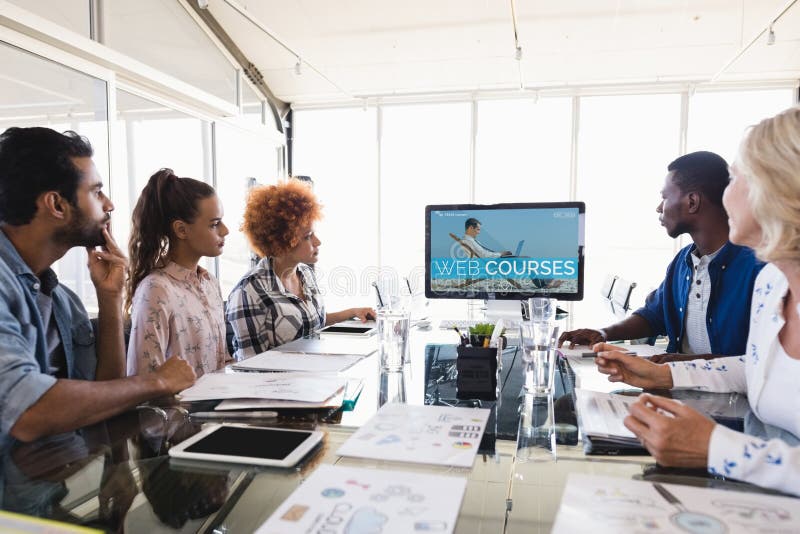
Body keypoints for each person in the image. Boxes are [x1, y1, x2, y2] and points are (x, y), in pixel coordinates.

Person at [593, 107, 800, 496]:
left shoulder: (758, 273)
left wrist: (717, 447)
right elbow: (754, 367)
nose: (725, 193)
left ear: (779, 190)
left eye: (736, 178)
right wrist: (663, 374)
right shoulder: (774, 283)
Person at [0, 127, 196, 447]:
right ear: (57, 204)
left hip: (51, 488)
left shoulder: (61, 300)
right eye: (96, 191)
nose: (110, 204)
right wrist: (156, 381)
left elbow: (105, 395)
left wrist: (110, 298)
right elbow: (28, 412)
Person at [559, 151, 764, 360]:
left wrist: (683, 364)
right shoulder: (683, 261)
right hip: (676, 383)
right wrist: (603, 333)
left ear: (692, 202)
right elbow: (654, 315)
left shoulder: (758, 268)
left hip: (725, 391)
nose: (659, 207)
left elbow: (760, 361)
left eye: (665, 197)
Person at [227, 180, 375, 358]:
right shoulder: (249, 292)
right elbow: (249, 367)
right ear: (281, 241)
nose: (318, 242)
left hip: (313, 378)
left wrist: (352, 312)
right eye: (308, 237)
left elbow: (309, 323)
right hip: (279, 384)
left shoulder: (304, 273)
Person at [126, 169, 230, 378]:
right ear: (181, 230)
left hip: (215, 406)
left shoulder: (209, 282)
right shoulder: (156, 289)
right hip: (180, 410)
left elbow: (221, 362)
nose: (225, 230)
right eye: (214, 224)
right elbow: (142, 382)